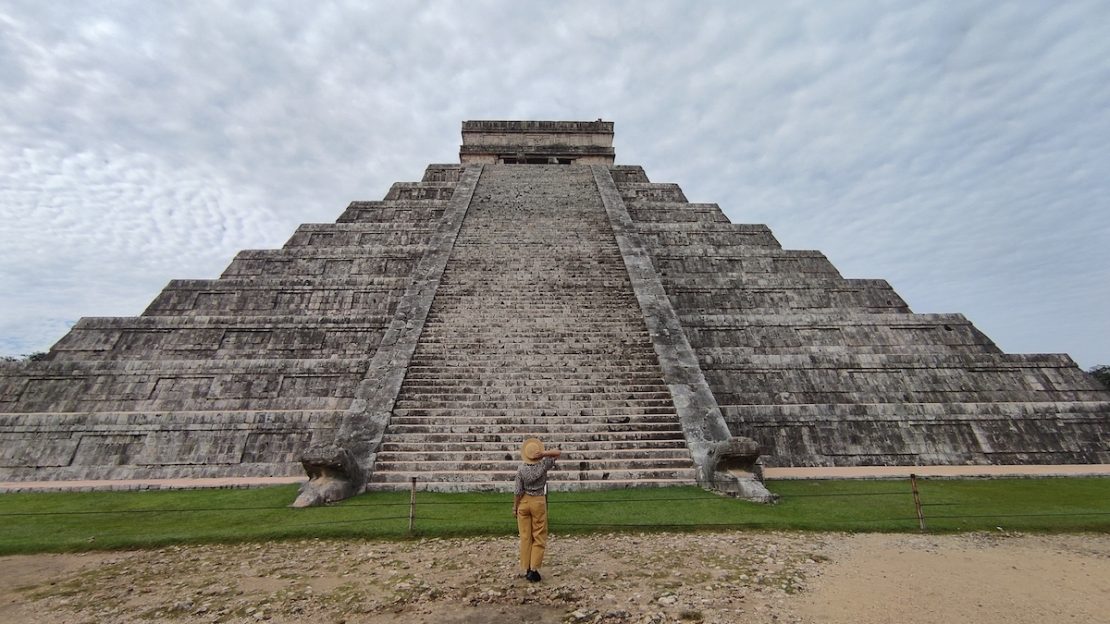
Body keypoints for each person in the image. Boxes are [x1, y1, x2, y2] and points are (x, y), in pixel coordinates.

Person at [512, 437, 561, 582]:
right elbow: (558, 453)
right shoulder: (543, 465)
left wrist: (515, 507)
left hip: (524, 502)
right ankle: (533, 569)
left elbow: (517, 491)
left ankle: (526, 566)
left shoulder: (521, 469)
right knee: (539, 535)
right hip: (538, 500)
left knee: (525, 536)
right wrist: (544, 454)